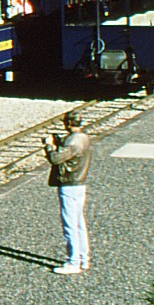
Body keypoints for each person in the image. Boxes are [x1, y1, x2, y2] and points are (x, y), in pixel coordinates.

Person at [43, 110, 92, 274]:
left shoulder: (72, 142)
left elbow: (56, 159)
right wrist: (58, 141)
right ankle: (84, 259)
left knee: (69, 225)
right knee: (79, 223)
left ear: (69, 123)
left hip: (69, 185)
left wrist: (49, 146)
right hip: (80, 183)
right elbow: (68, 149)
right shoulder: (84, 138)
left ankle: (73, 263)